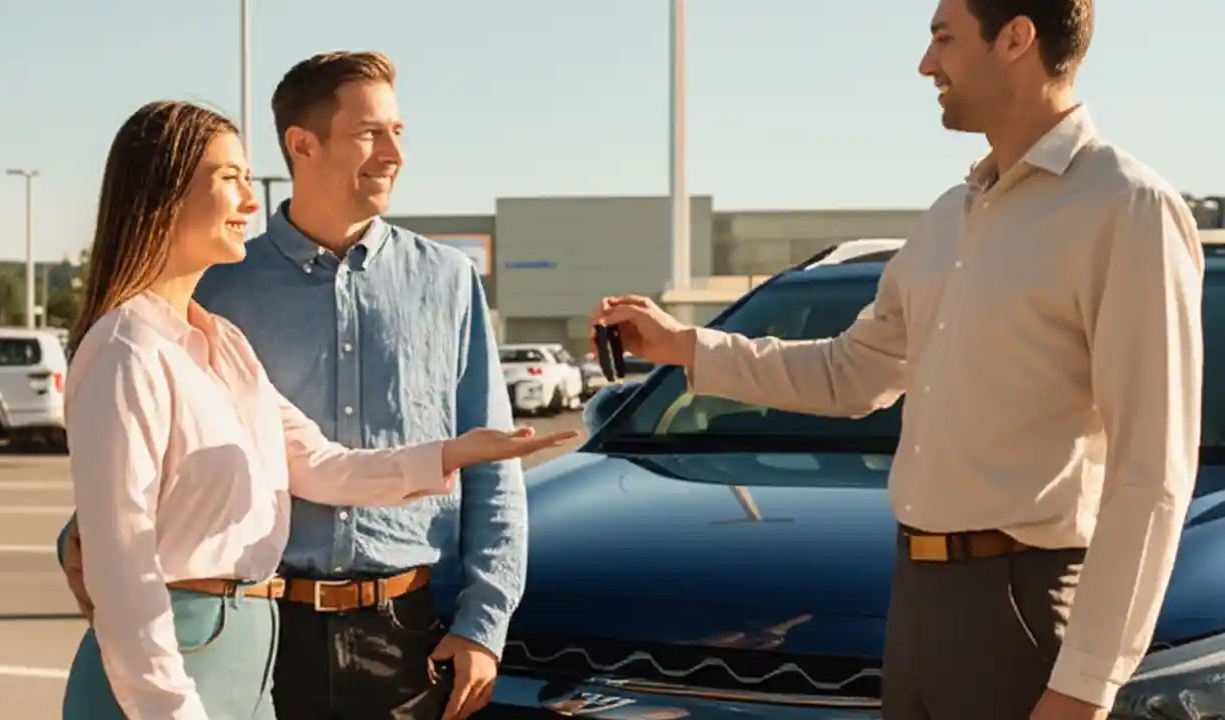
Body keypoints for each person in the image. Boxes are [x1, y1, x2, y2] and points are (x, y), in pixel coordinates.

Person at [590, 1, 1204, 719]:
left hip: (1022, 607)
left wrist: (1086, 685)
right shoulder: (950, 216)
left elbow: (1153, 472)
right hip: (916, 599)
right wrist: (685, 347)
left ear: (1016, 37)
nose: (926, 64)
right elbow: (851, 373)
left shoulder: (1127, 207)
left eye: (943, 38)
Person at [60, 99, 573, 720]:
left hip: (247, 664)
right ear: (164, 191)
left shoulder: (223, 344)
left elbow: (322, 466)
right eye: (231, 179)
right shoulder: (125, 349)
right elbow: (122, 574)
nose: (250, 202)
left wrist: (452, 454)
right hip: (172, 671)